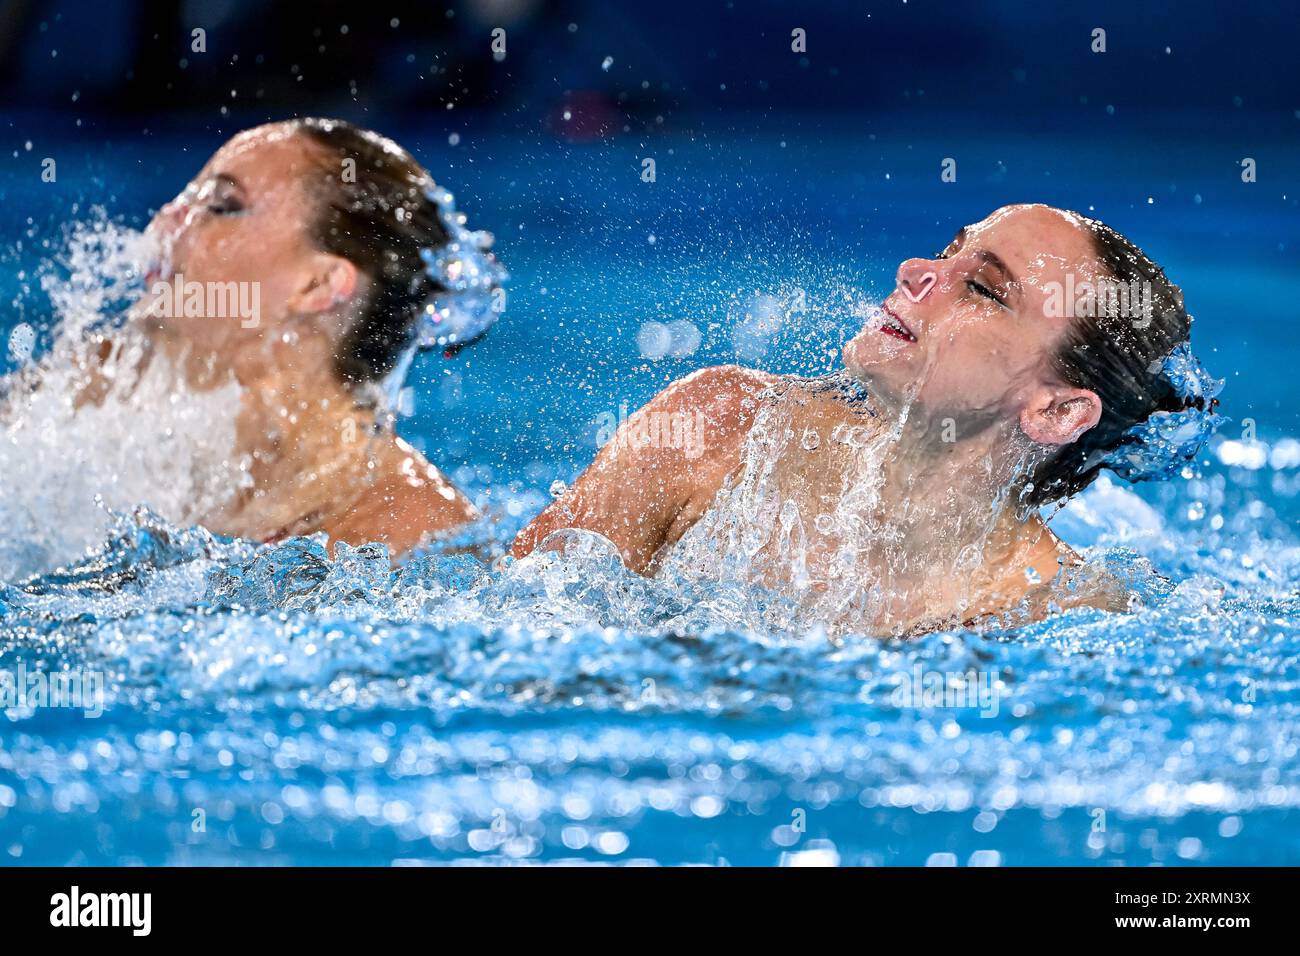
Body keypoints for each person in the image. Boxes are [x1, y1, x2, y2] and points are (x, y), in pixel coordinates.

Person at [511, 204, 1221, 636]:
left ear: (1057, 410)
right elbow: (509, 619)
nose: (918, 271)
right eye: (947, 252)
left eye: (979, 287)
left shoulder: (1067, 615)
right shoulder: (721, 427)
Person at [107, 118, 505, 556]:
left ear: (319, 286)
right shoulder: (112, 402)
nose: (166, 224)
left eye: (223, 206)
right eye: (186, 197)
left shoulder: (405, 539)